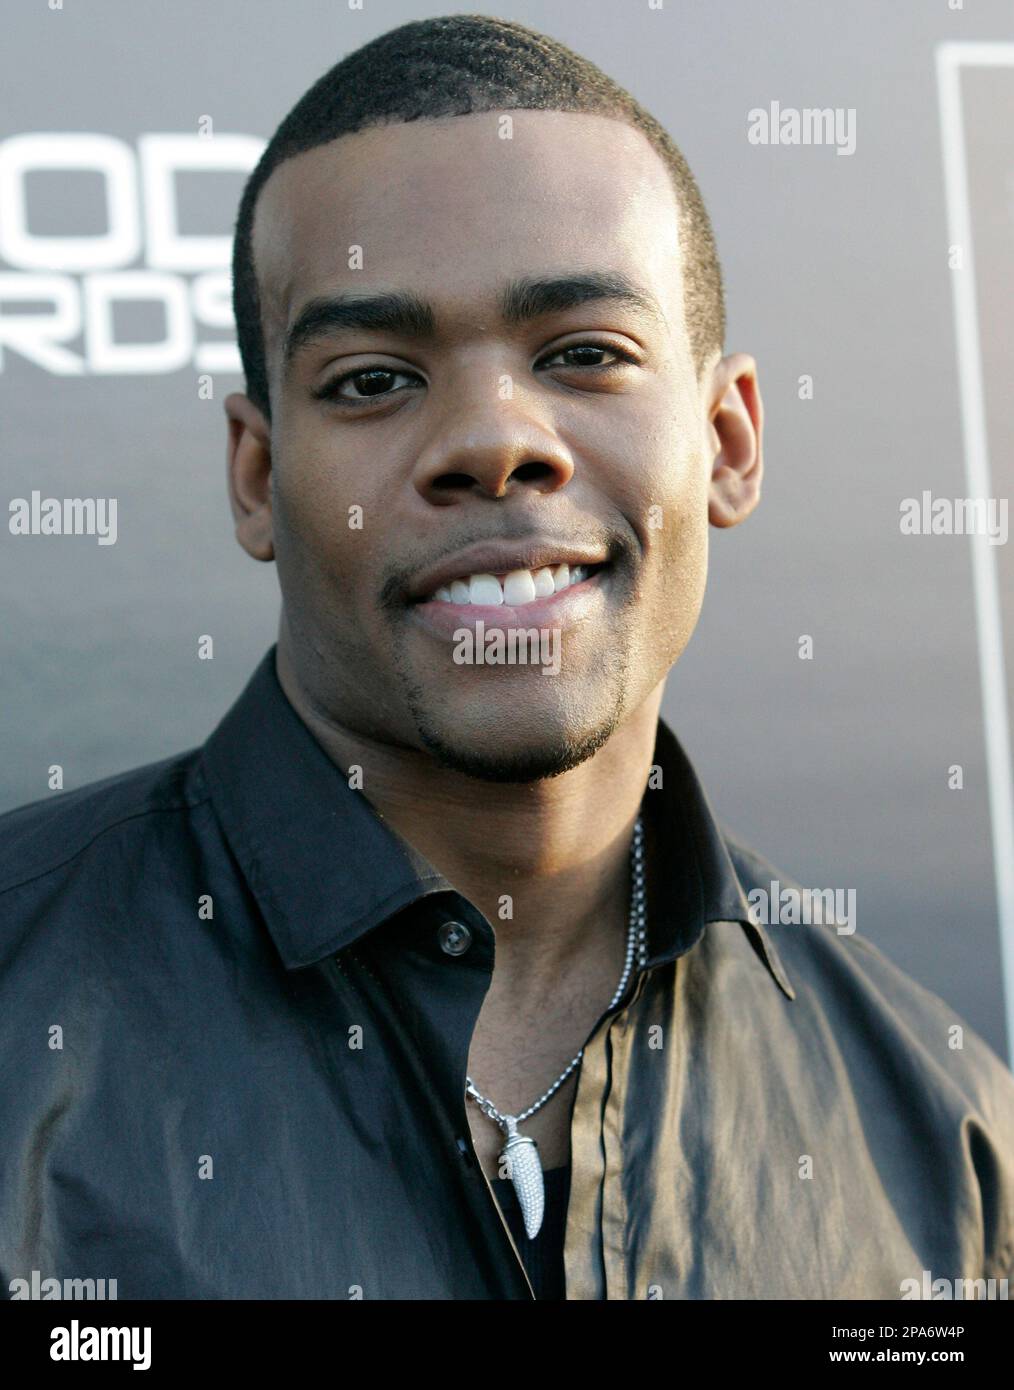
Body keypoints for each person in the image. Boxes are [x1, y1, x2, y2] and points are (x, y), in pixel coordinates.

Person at [2, 14, 1013, 1302]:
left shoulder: (946, 1141)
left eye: (585, 355)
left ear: (728, 442)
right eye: (373, 379)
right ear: (257, 478)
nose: (493, 440)